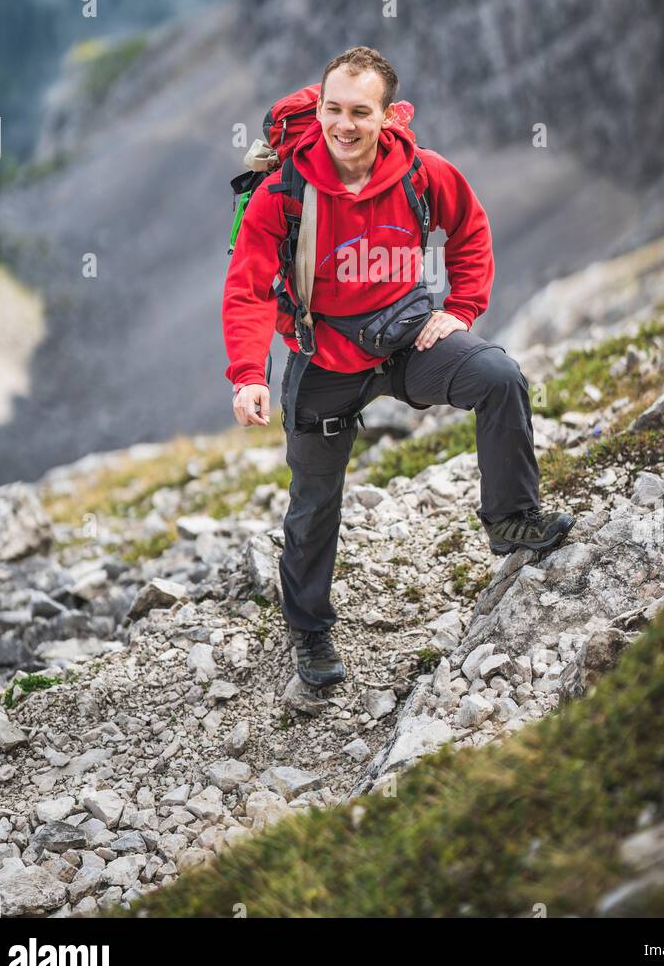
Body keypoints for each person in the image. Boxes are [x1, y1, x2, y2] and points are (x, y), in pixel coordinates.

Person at [222, 46, 575, 688]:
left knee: (498, 378)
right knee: (313, 498)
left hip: (409, 340)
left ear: (388, 116)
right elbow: (247, 288)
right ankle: (310, 634)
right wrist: (249, 374)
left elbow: (469, 227)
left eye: (361, 111)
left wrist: (462, 307)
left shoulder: (422, 173)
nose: (344, 124)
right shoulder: (284, 194)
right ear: (321, 106)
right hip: (323, 357)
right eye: (333, 109)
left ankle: (511, 519)